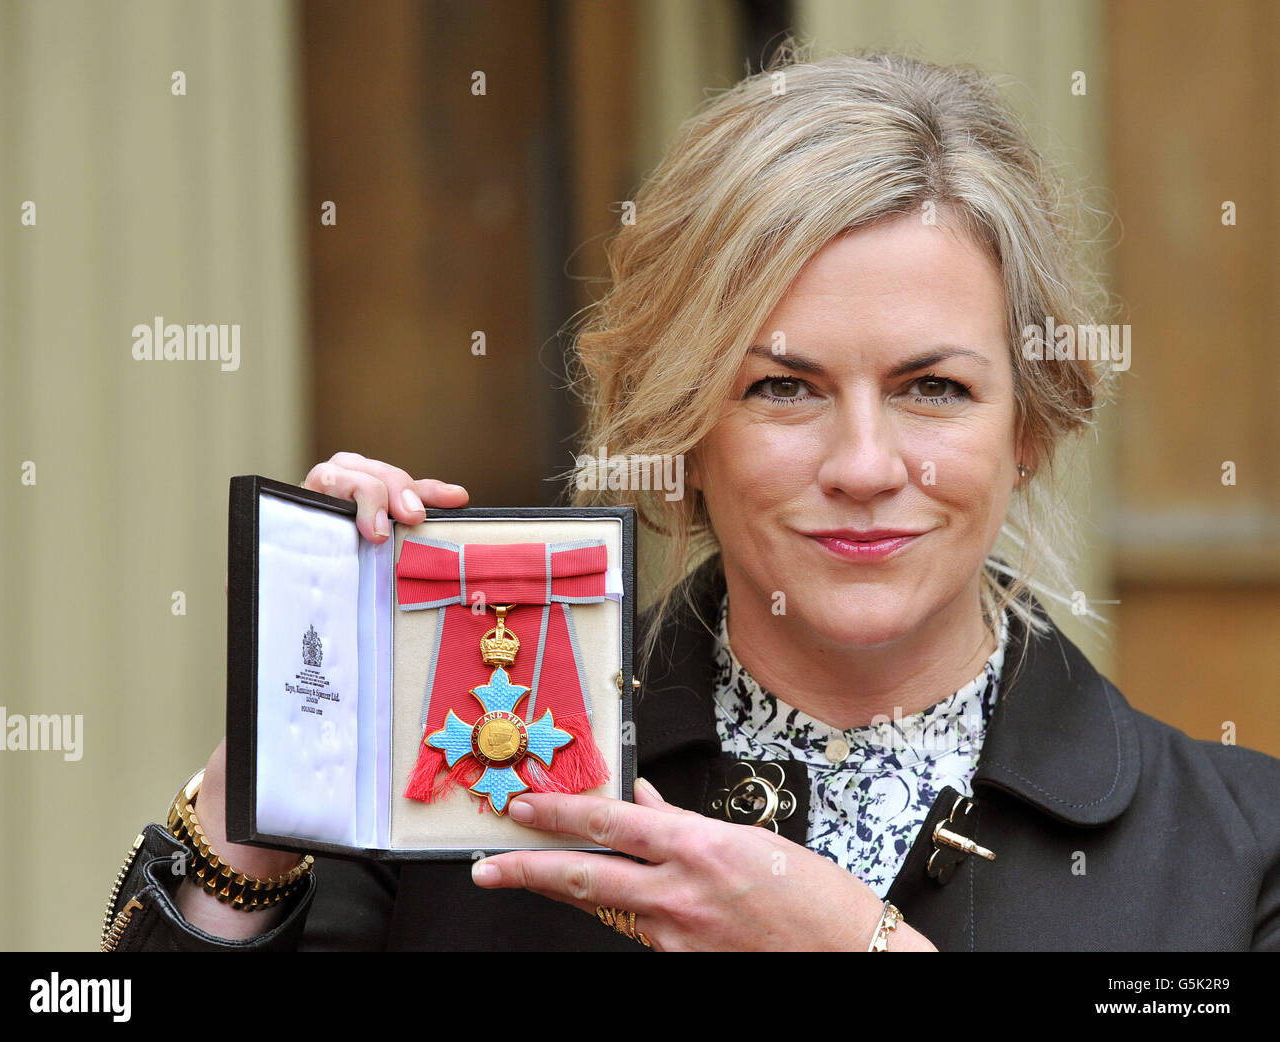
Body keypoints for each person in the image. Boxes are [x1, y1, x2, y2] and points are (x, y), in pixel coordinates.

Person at [102, 44, 1280, 952]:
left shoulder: (1240, 849)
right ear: (682, 432)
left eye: (933, 386)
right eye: (782, 387)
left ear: (1026, 425)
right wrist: (274, 774)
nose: (864, 464)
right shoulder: (454, 805)